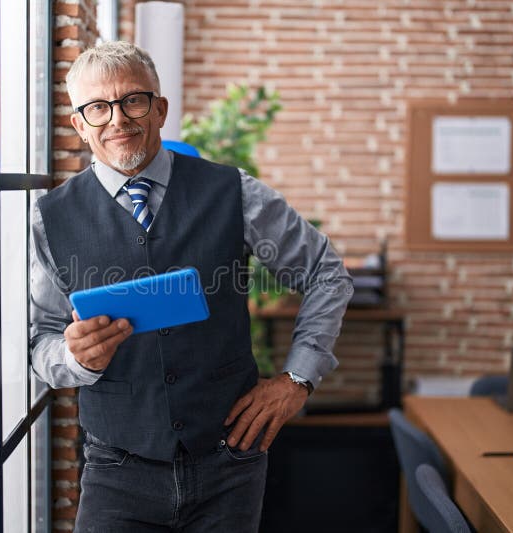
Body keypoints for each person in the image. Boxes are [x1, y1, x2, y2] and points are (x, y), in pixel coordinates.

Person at [30, 41, 352, 532]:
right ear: (79, 124)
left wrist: (297, 379)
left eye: (133, 100)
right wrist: (75, 358)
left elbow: (326, 272)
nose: (117, 119)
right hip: (116, 468)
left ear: (159, 108)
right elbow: (41, 342)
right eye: (97, 108)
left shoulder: (234, 191)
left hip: (230, 459)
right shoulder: (49, 218)